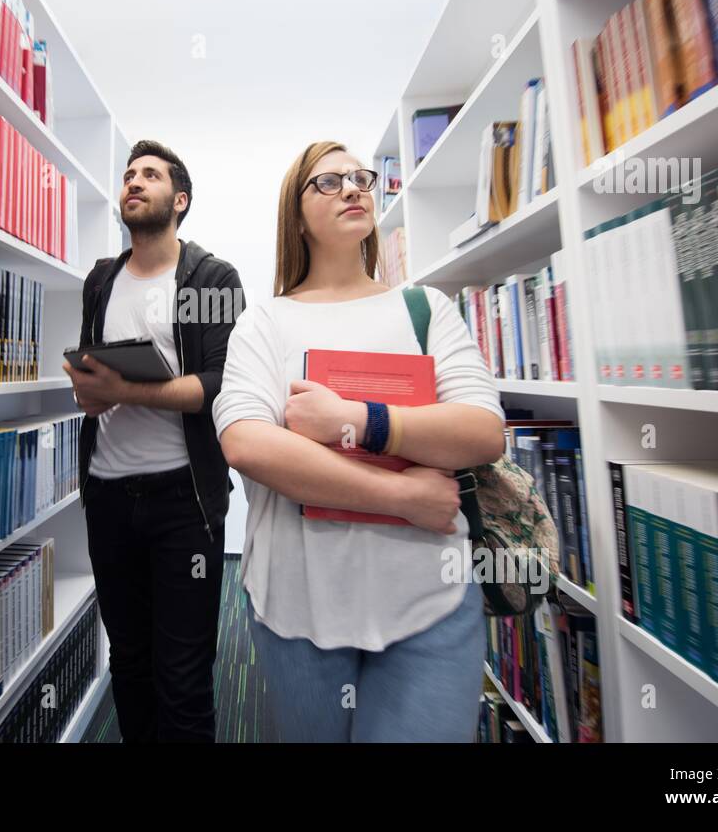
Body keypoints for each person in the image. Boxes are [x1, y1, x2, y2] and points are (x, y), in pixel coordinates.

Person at [212, 140, 505, 742]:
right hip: (296, 605)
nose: (353, 188)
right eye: (327, 182)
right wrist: (401, 496)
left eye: (360, 178)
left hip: (432, 604)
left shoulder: (427, 309)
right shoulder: (264, 323)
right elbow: (247, 444)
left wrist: (356, 418)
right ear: (295, 215)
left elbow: (481, 431)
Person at [64, 139, 244, 742]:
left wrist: (123, 392)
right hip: (108, 497)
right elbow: (96, 374)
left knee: (184, 676)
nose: (134, 182)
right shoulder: (101, 281)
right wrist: (89, 392)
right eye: (128, 175)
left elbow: (220, 383)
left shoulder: (208, 277)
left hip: (184, 504)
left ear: (180, 199)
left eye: (150, 175)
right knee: (130, 663)